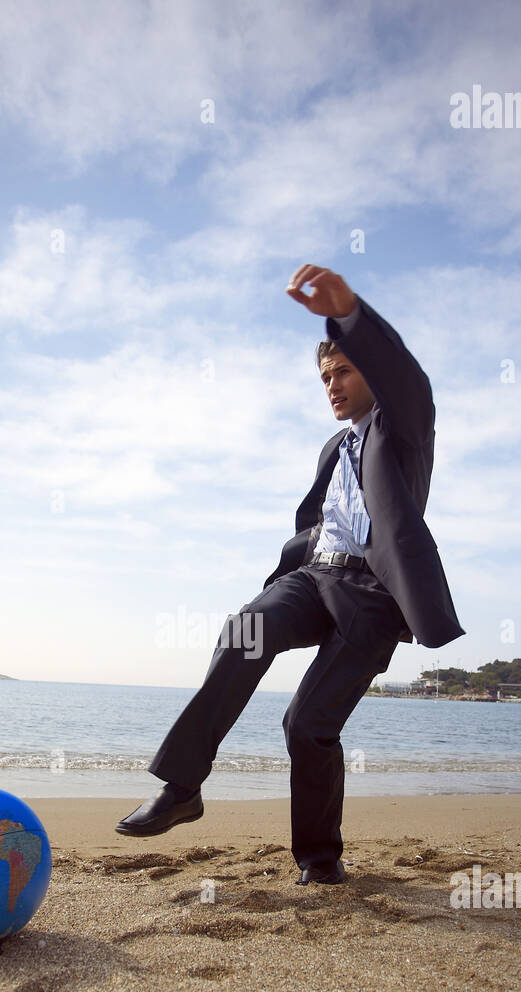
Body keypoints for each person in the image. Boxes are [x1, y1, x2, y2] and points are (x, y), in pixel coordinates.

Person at [115, 263, 464, 884]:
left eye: (345, 371)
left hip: (371, 597)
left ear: (371, 373)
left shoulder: (402, 428)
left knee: (307, 725)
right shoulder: (333, 447)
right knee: (246, 627)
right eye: (325, 376)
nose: (332, 385)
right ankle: (183, 785)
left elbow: (407, 377)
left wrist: (351, 315)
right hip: (312, 578)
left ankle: (320, 860)